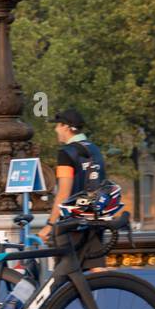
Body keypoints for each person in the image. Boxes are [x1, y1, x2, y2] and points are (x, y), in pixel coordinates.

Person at [47, 107, 109, 270]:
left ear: (66, 127)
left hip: (73, 222)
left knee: (62, 275)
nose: (55, 130)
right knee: (97, 270)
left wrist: (50, 224)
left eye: (58, 125)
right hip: (95, 217)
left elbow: (63, 193)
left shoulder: (67, 153)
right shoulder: (94, 149)